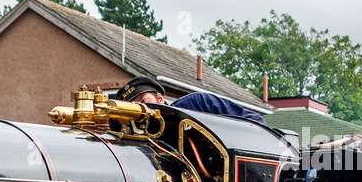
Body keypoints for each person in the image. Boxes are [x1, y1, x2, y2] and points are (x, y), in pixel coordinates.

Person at [112, 76, 265, 125]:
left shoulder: (198, 103)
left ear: (160, 98)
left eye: (144, 101)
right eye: (132, 108)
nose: (140, 109)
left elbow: (254, 121)